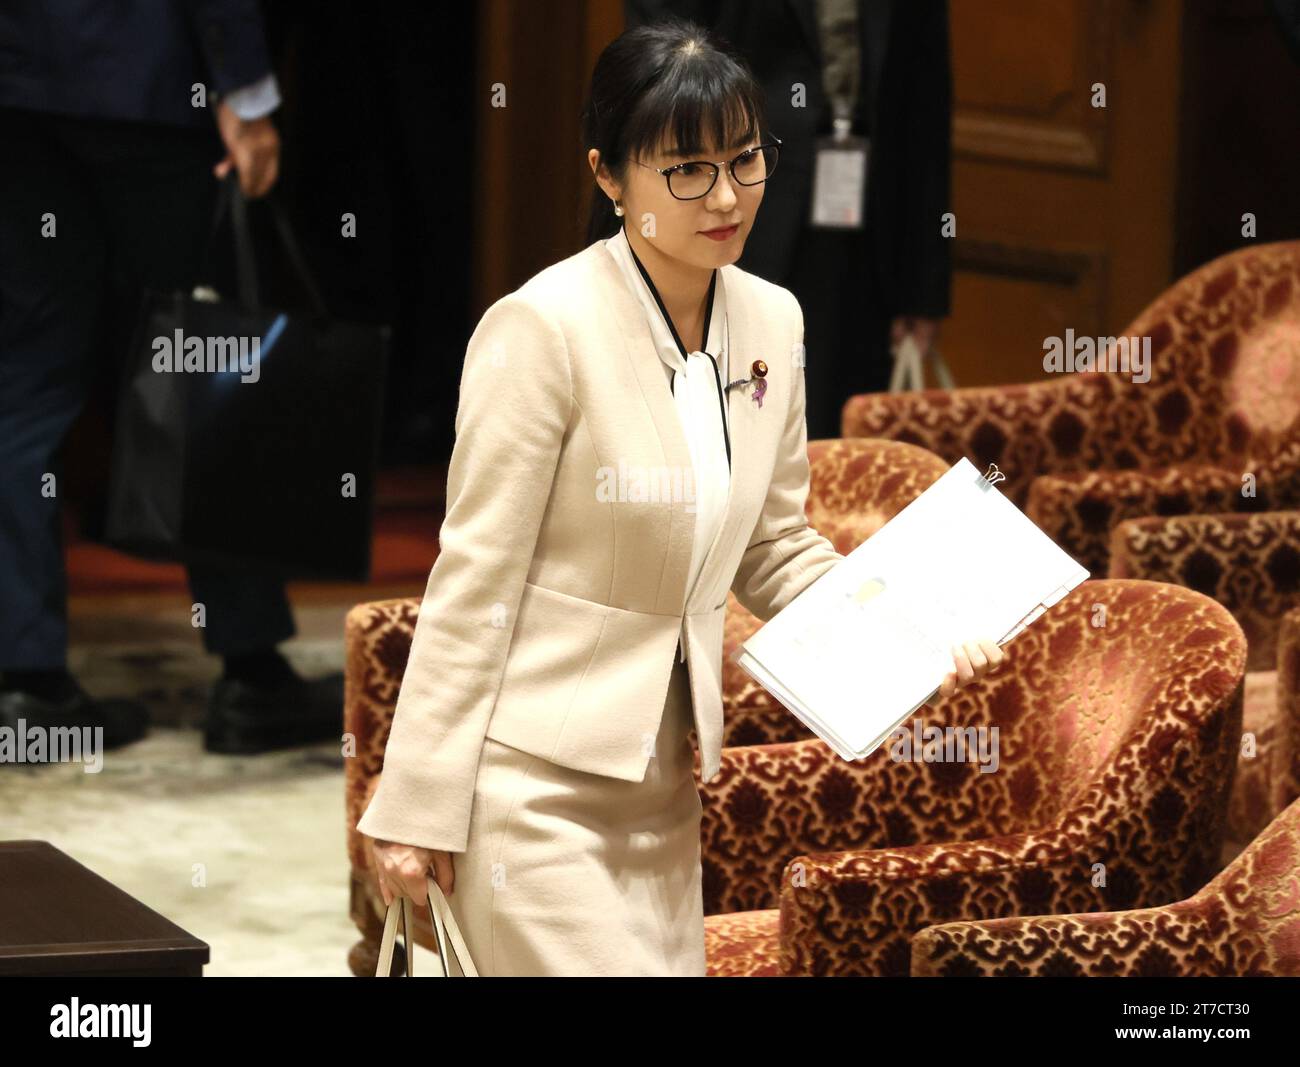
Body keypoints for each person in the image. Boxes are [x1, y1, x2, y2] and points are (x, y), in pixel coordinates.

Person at [360, 16, 999, 977]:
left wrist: (908, 625)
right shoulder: (541, 328)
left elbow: (778, 545)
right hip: (531, 787)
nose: (726, 196)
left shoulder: (770, 319)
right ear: (609, 176)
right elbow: (474, 581)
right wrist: (415, 805)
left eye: (746, 160)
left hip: (662, 787)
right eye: (686, 170)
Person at [0, 0, 341, 754]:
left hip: (20, 85)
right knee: (201, 364)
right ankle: (251, 674)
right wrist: (243, 88)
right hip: (143, 82)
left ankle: (27, 688)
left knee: (23, 381)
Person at [625, 0, 953, 439]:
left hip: (864, 223)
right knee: (718, 423)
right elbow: (661, 62)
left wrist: (921, 285)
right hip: (726, 202)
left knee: (836, 436)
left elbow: (924, 98)